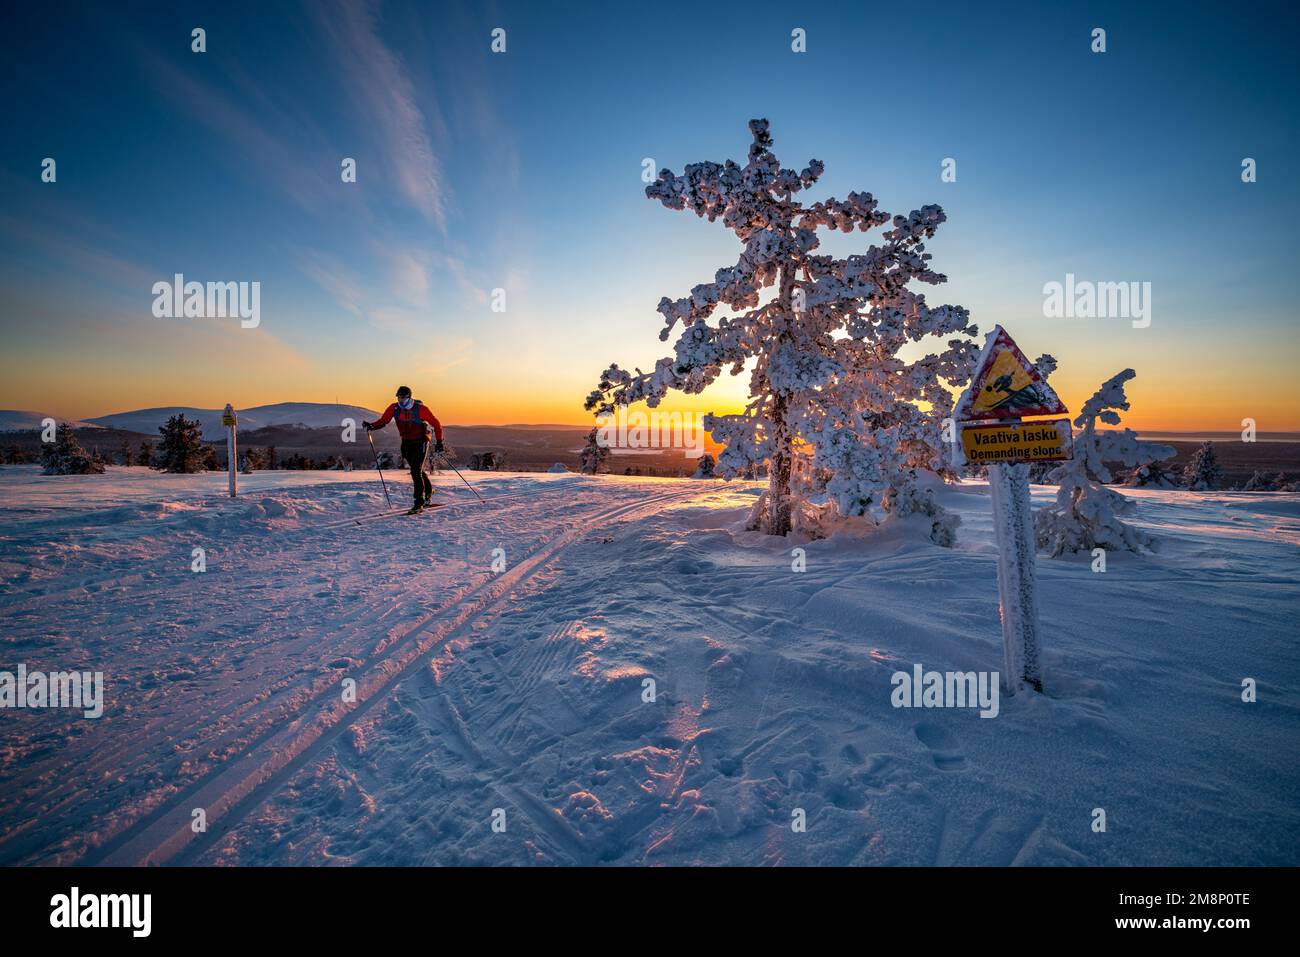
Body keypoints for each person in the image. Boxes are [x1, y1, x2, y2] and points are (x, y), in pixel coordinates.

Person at [364, 386, 445, 512]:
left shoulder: (421, 409)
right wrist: (371, 426)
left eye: (403, 397)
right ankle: (428, 491)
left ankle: (419, 503)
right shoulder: (394, 408)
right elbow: (383, 421)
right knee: (415, 469)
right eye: (398, 397)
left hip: (421, 442)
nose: (400, 400)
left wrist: (439, 442)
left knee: (415, 470)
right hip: (406, 443)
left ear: (409, 397)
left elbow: (436, 424)